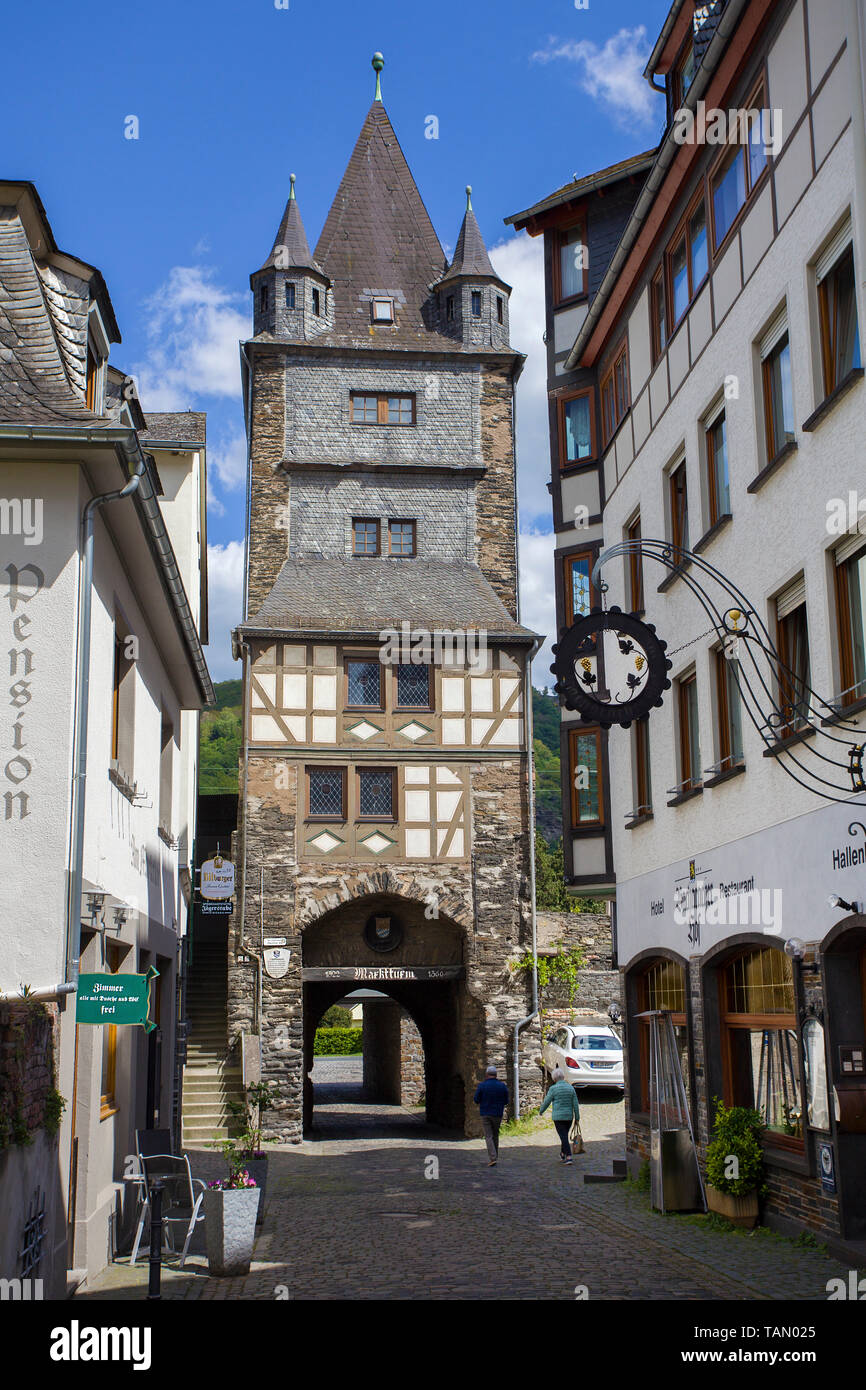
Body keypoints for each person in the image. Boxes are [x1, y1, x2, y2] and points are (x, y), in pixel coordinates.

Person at [539, 1067, 581, 1164]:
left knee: (563, 1136)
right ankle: (562, 1153)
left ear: (554, 1078)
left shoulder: (553, 1089)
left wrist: (541, 1110)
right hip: (569, 1117)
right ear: (563, 1077)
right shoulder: (570, 1088)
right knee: (564, 1135)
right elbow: (575, 1104)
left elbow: (547, 1101)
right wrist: (577, 1117)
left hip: (558, 1117)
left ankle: (569, 1156)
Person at [473, 1065, 509, 1166]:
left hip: (485, 1113)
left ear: (487, 1074)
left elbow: (476, 1099)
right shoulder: (502, 1086)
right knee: (495, 1135)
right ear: (496, 1075)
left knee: (488, 1136)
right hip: (497, 1113)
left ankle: (493, 1157)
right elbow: (506, 1101)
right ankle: (495, 1156)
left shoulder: (482, 1086)